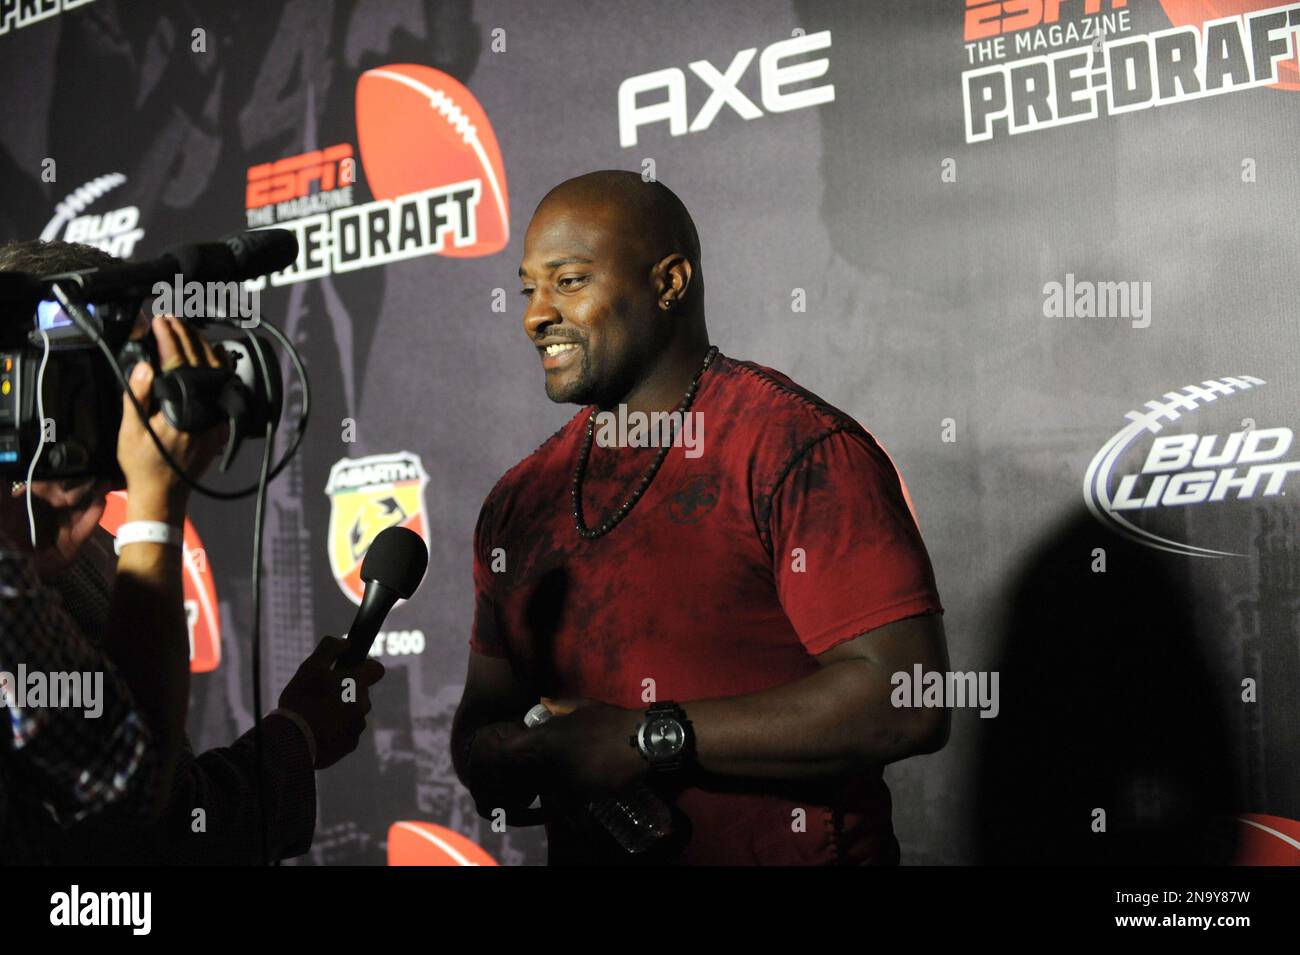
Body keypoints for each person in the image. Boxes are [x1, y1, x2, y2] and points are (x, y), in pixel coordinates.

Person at [452, 170, 952, 865]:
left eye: (568, 281)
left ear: (670, 282)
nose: (535, 314)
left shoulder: (792, 445)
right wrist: (500, 754)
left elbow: (906, 697)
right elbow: (484, 713)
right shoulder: (517, 503)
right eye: (528, 286)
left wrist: (643, 739)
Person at [0, 239, 385, 864]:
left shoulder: (70, 550)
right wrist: (298, 737)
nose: (151, 387)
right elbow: (151, 821)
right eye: (121, 364)